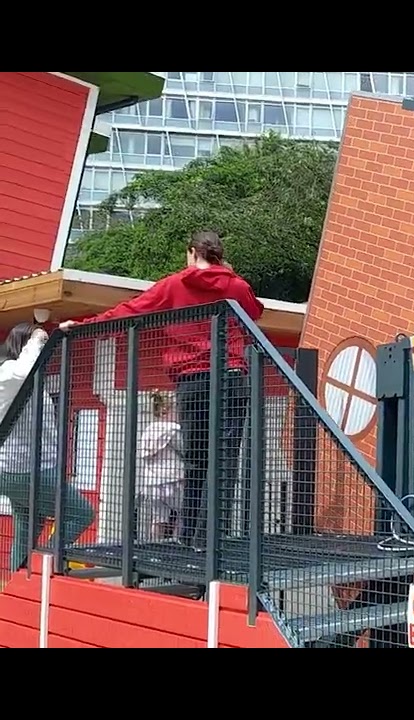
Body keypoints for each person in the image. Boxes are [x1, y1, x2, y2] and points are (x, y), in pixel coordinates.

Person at [62, 231, 264, 550]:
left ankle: (187, 537)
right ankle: (212, 540)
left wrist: (86, 325)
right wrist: (231, 275)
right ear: (218, 255)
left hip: (191, 379)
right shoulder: (235, 286)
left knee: (197, 459)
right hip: (231, 376)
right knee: (224, 459)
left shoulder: (173, 285)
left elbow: (133, 309)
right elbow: (255, 312)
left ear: (191, 252)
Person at [0, 323, 96, 572]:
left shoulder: (23, 380)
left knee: (29, 523)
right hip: (26, 468)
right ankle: (46, 562)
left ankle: (16, 580)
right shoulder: (10, 370)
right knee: (81, 513)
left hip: (19, 467)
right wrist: (39, 337)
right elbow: (23, 371)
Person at [136, 391, 184, 543]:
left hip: (152, 480)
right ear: (166, 410)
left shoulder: (149, 430)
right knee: (183, 513)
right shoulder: (173, 429)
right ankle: (179, 544)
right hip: (173, 478)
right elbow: (184, 449)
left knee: (158, 518)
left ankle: (155, 545)